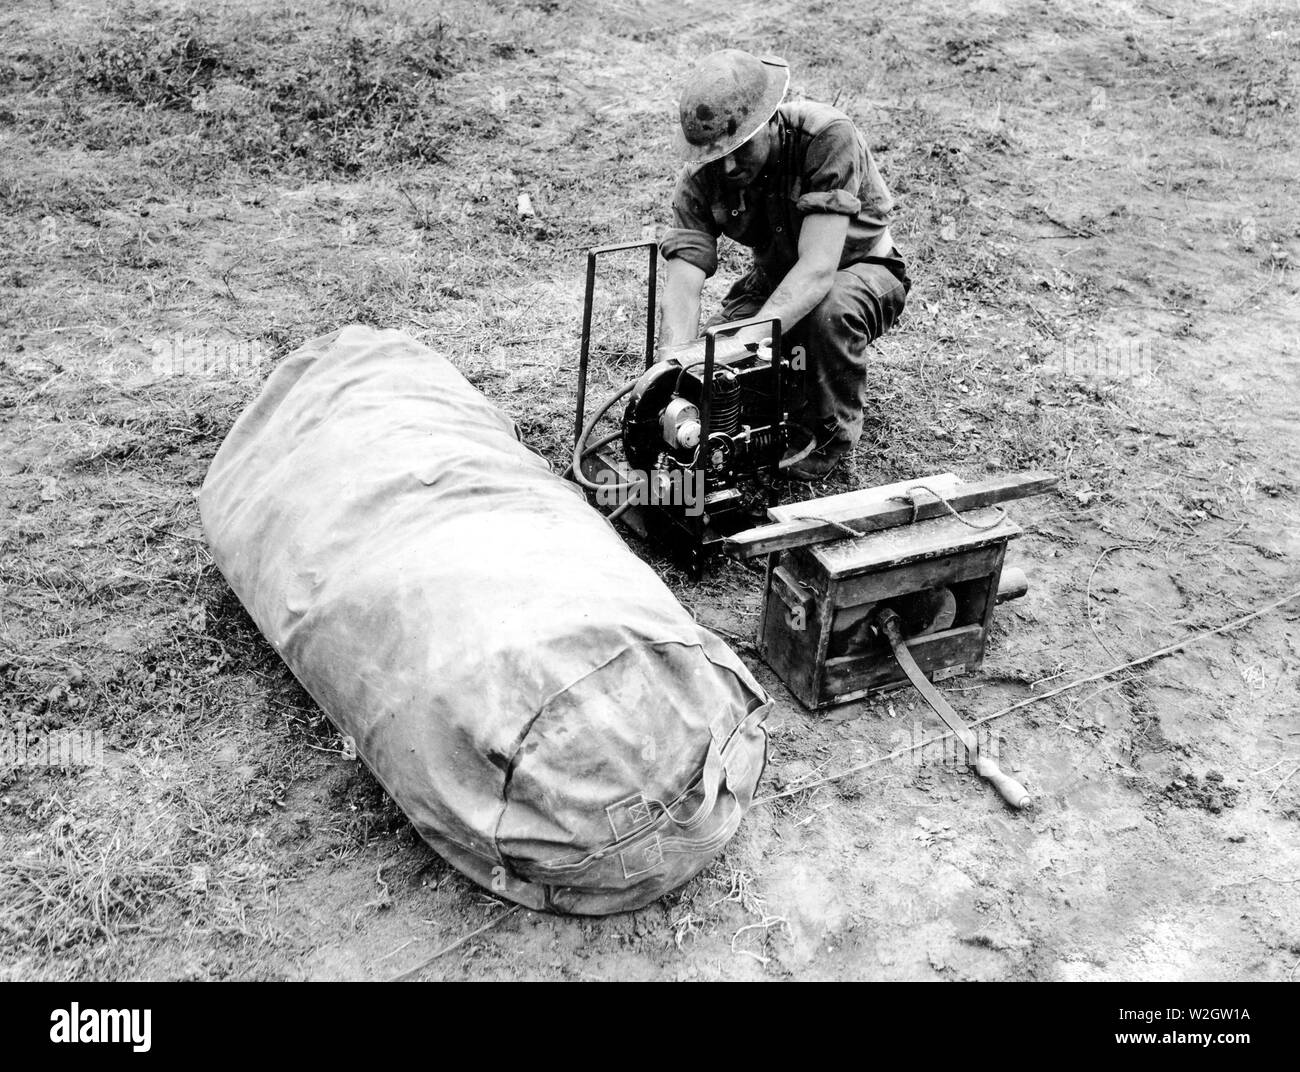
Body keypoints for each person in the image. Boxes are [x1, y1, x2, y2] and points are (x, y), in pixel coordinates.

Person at [658, 49, 911, 480]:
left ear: (771, 120)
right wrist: (674, 370)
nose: (730, 166)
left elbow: (817, 271)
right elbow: (683, 287)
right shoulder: (700, 177)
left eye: (740, 148)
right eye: (717, 156)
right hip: (775, 278)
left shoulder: (827, 137)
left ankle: (825, 438)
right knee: (710, 364)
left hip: (860, 271)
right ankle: (779, 400)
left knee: (827, 311)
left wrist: (747, 342)